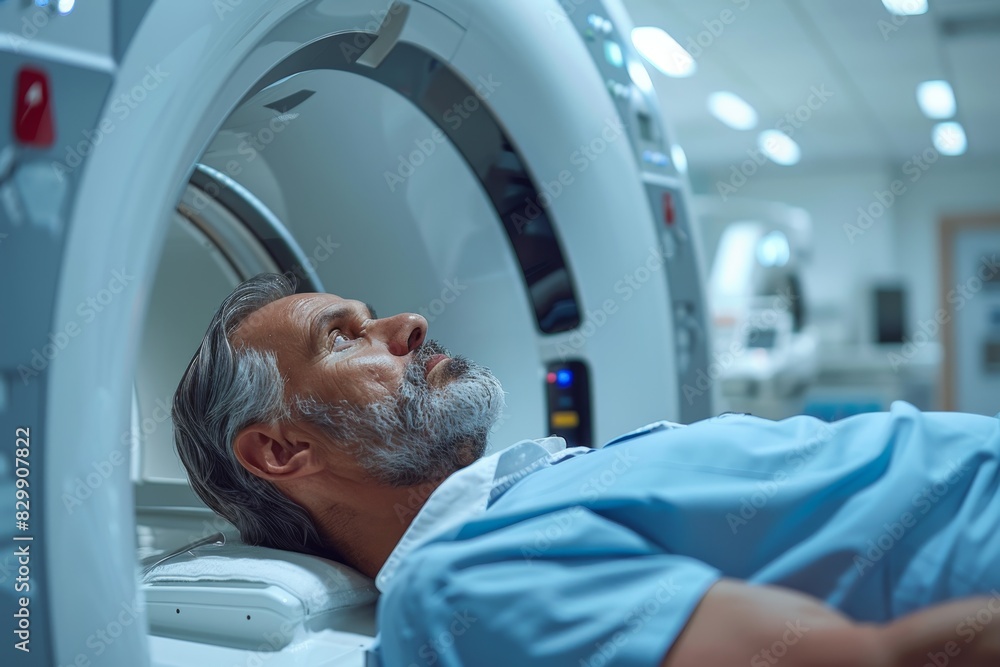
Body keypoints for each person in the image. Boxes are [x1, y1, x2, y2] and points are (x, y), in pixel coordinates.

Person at [172, 273, 1000, 666]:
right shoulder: (460, 588)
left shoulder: (526, 502)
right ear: (282, 451)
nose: (410, 321)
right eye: (344, 336)